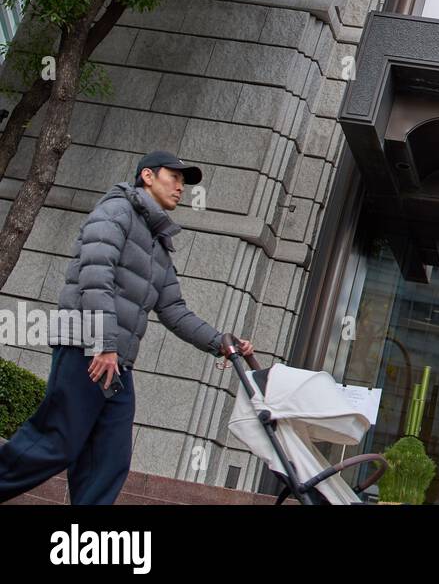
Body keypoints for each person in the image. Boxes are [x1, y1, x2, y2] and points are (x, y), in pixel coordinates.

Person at [0, 150, 253, 505]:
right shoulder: (115, 211)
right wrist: (104, 344)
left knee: (108, 461)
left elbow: (174, 310)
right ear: (147, 176)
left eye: (184, 182)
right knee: (55, 443)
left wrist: (221, 342)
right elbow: (94, 276)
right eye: (175, 177)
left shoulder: (158, 244)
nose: (181, 187)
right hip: (87, 347)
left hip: (117, 361)